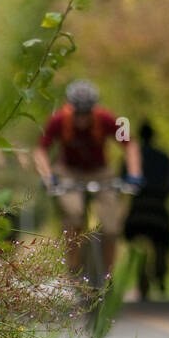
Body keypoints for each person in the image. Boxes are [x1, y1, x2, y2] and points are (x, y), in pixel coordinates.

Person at [32, 80, 142, 281]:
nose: (82, 118)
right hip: (69, 173)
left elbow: (130, 144)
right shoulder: (58, 121)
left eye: (86, 112)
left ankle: (107, 276)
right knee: (73, 215)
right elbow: (41, 151)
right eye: (78, 113)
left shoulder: (106, 119)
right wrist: (48, 177)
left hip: (100, 173)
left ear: (94, 108)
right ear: (70, 107)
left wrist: (134, 175)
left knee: (111, 227)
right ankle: (73, 270)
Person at [123, 121, 169, 299]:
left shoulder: (130, 158)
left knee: (138, 245)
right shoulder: (163, 157)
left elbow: (123, 182)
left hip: (138, 207)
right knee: (161, 243)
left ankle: (142, 279)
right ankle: (160, 274)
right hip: (158, 206)